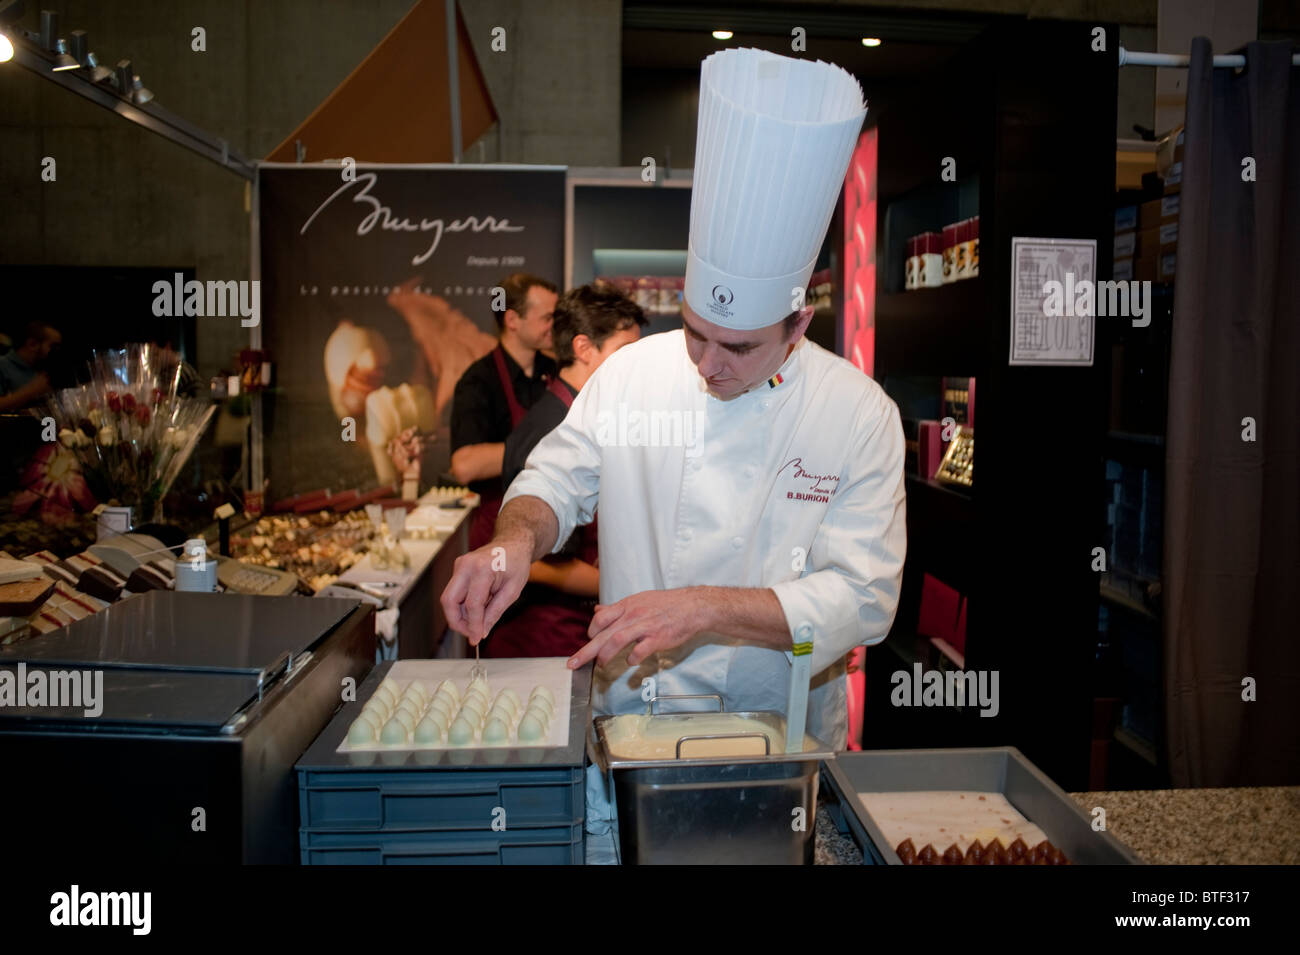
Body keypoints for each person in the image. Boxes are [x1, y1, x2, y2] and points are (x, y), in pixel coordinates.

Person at [440, 49, 905, 841]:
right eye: (694, 332)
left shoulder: (857, 413)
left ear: (799, 325)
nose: (708, 364)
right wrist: (512, 542)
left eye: (740, 347)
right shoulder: (631, 378)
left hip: (782, 743)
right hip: (635, 733)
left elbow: (865, 598)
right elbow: (552, 478)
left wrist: (707, 608)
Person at [485, 284, 647, 658]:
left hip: (569, 623)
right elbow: (539, 564)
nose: (636, 368)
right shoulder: (552, 427)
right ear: (583, 349)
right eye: (626, 353)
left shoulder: (579, 415)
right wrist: (626, 585)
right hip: (540, 632)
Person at [449, 273, 558, 550]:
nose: (554, 326)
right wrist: (546, 448)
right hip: (497, 536)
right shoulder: (479, 380)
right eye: (547, 317)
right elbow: (465, 466)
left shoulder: (556, 372)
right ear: (512, 320)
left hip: (551, 528)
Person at [0, 321, 61, 412]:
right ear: (32, 344)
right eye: (53, 346)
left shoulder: (43, 368)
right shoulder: (2, 364)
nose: (58, 352)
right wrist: (33, 390)